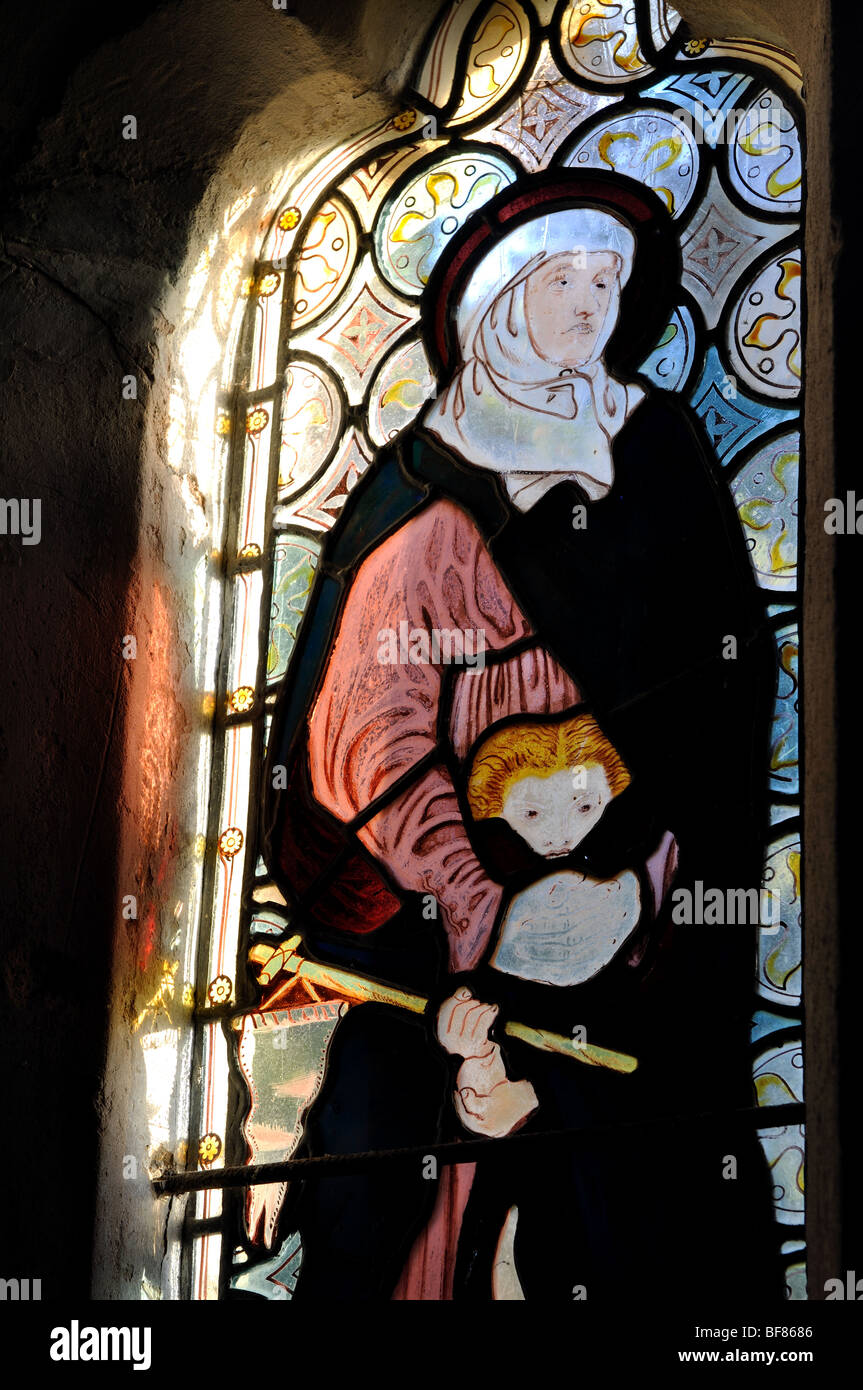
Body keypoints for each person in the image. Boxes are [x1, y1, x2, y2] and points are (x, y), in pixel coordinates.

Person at [260, 173, 782, 1301]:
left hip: (652, 941)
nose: (592, 302)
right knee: (456, 1218)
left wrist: (644, 884)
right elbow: (365, 734)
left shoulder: (656, 449)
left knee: (653, 1219)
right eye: (563, 280)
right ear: (502, 301)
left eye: (608, 279)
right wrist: (480, 903)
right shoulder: (419, 498)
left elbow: (724, 701)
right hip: (457, 944)